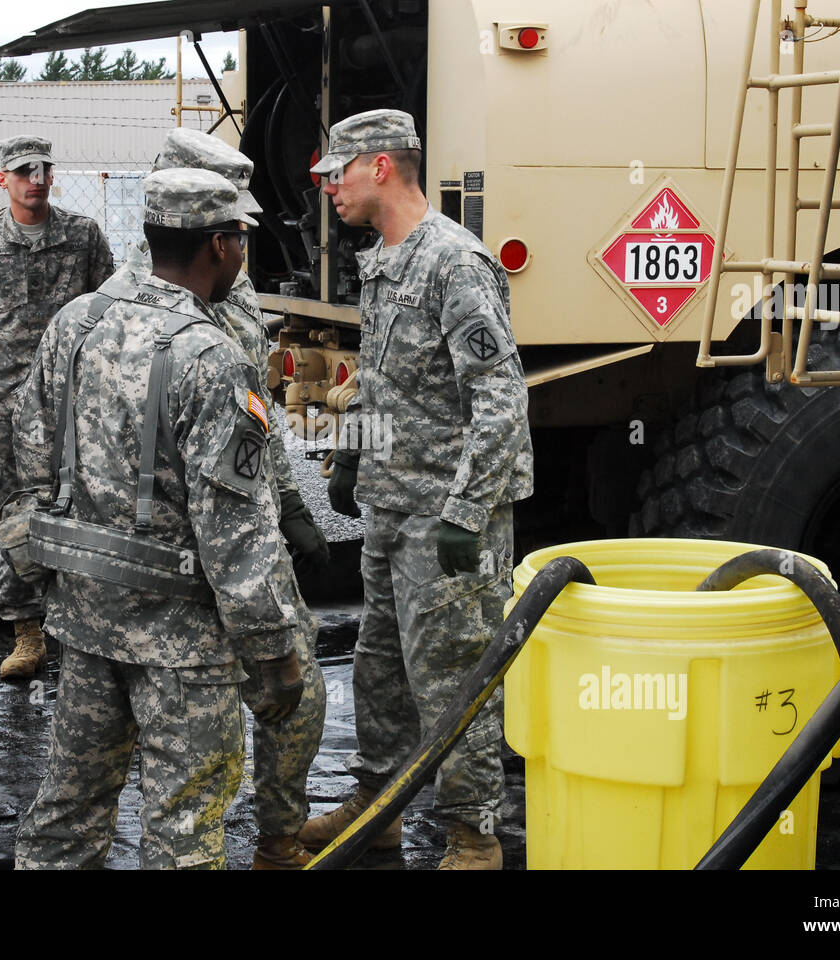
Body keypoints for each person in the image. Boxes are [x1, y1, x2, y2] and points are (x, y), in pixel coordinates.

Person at [12, 167, 307, 870]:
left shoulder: (74, 325)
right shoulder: (212, 357)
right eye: (240, 237)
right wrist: (273, 647)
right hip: (185, 644)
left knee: (69, 806)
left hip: (84, 618)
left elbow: (26, 468)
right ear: (220, 245)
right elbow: (234, 532)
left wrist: (20, 587)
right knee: (183, 821)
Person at [298, 109, 534, 869]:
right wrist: (351, 460)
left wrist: (467, 511)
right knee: (381, 666)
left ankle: (473, 834)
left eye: (338, 171)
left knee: (456, 673)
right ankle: (381, 803)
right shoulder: (386, 260)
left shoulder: (453, 263)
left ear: (379, 167)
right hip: (393, 510)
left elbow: (500, 399)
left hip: (446, 519)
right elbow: (381, 382)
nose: (329, 187)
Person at [117, 127, 327, 869]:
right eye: (229, 221)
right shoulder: (125, 307)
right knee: (179, 744)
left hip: (244, 531)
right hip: (178, 562)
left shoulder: (231, 293)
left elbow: (255, 411)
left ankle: (277, 840)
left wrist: (289, 499)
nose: (239, 236)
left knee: (297, 704)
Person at [0, 135, 115, 682]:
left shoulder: (82, 234)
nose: (35, 179)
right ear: (2, 179)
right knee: (11, 513)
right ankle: (27, 631)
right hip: (5, 405)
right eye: (23, 171)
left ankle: (84, 626)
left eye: (43, 169)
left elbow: (111, 311)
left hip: (73, 399)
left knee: (84, 508)